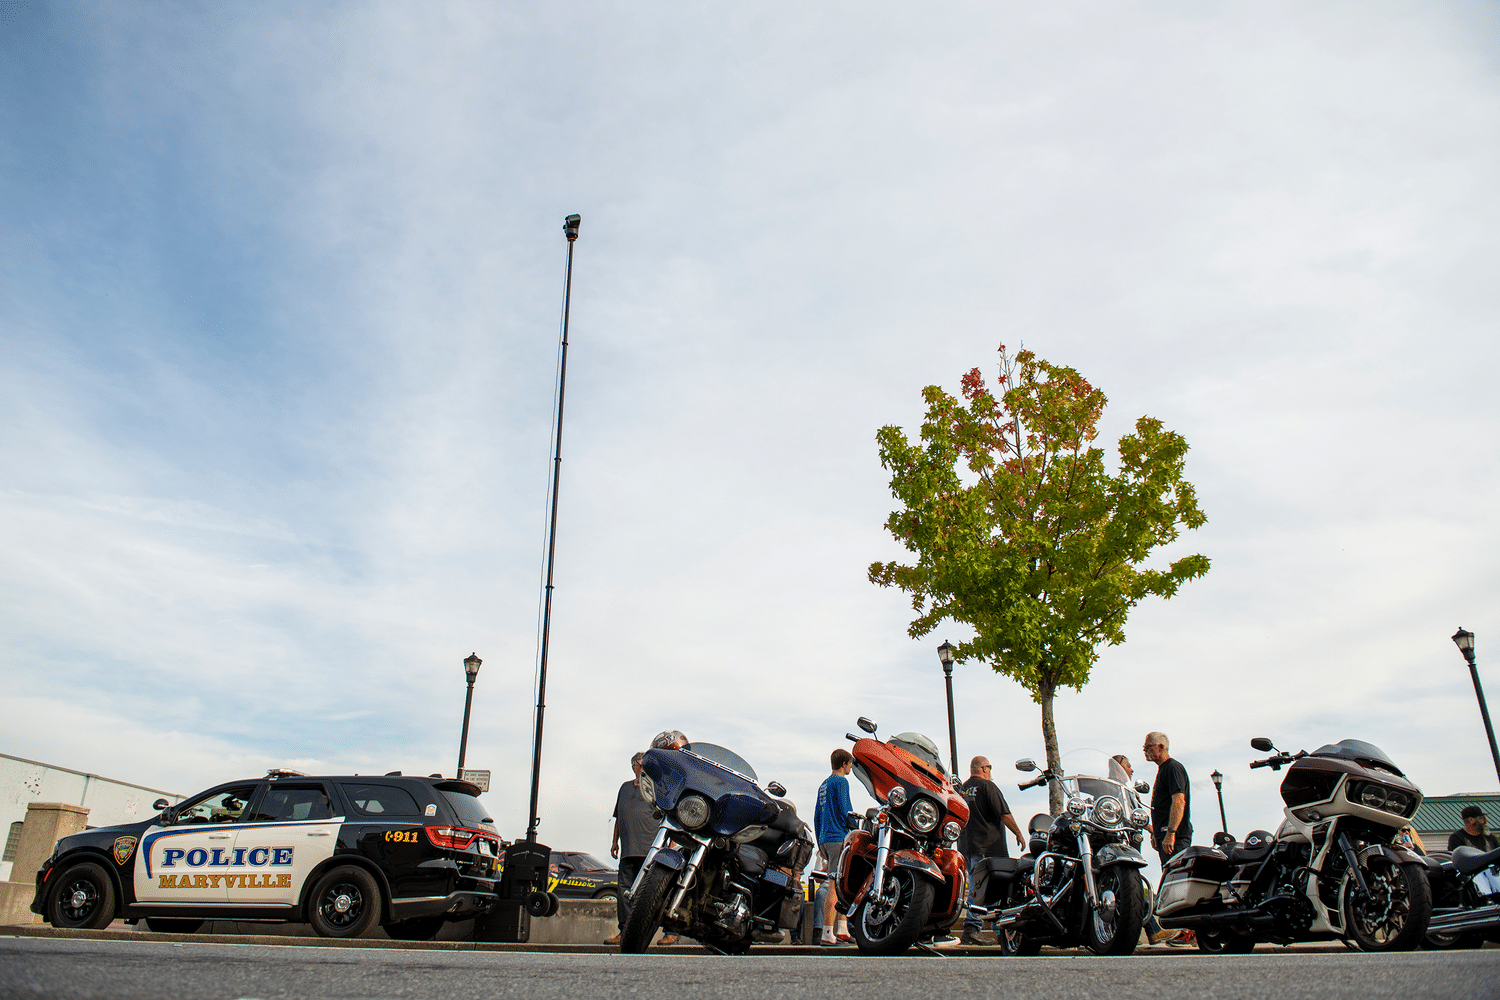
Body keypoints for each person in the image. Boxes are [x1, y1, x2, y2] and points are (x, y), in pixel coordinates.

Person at [957, 756, 1024, 946]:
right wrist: (1018, 833)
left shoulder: (961, 789)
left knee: (983, 886)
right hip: (987, 847)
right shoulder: (988, 787)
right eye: (990, 767)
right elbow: (1004, 814)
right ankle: (972, 927)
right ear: (984, 768)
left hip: (966, 846)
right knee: (985, 887)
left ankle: (997, 929)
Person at [604, 752, 657, 945]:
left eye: (646, 766)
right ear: (633, 766)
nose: (642, 769)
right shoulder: (625, 788)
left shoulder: (656, 787)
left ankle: (665, 932)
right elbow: (618, 817)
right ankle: (624, 932)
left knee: (650, 892)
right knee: (624, 892)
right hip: (628, 850)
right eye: (640, 765)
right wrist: (614, 842)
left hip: (650, 851)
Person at [813, 749, 856, 946]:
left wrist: (820, 841)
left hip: (825, 838)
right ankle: (828, 933)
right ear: (844, 764)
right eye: (850, 764)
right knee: (834, 885)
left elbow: (817, 815)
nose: (850, 768)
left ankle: (842, 929)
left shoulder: (823, 785)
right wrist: (856, 828)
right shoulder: (841, 782)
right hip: (839, 837)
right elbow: (846, 810)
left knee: (840, 884)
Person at [1143, 732, 1192, 865]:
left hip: (1175, 837)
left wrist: (1170, 833)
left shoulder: (1172, 768)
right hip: (1164, 834)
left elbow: (1179, 801)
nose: (1144, 750)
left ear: (1160, 746)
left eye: (1148, 747)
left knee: (1177, 875)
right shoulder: (1163, 769)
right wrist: (1156, 833)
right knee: (1169, 876)